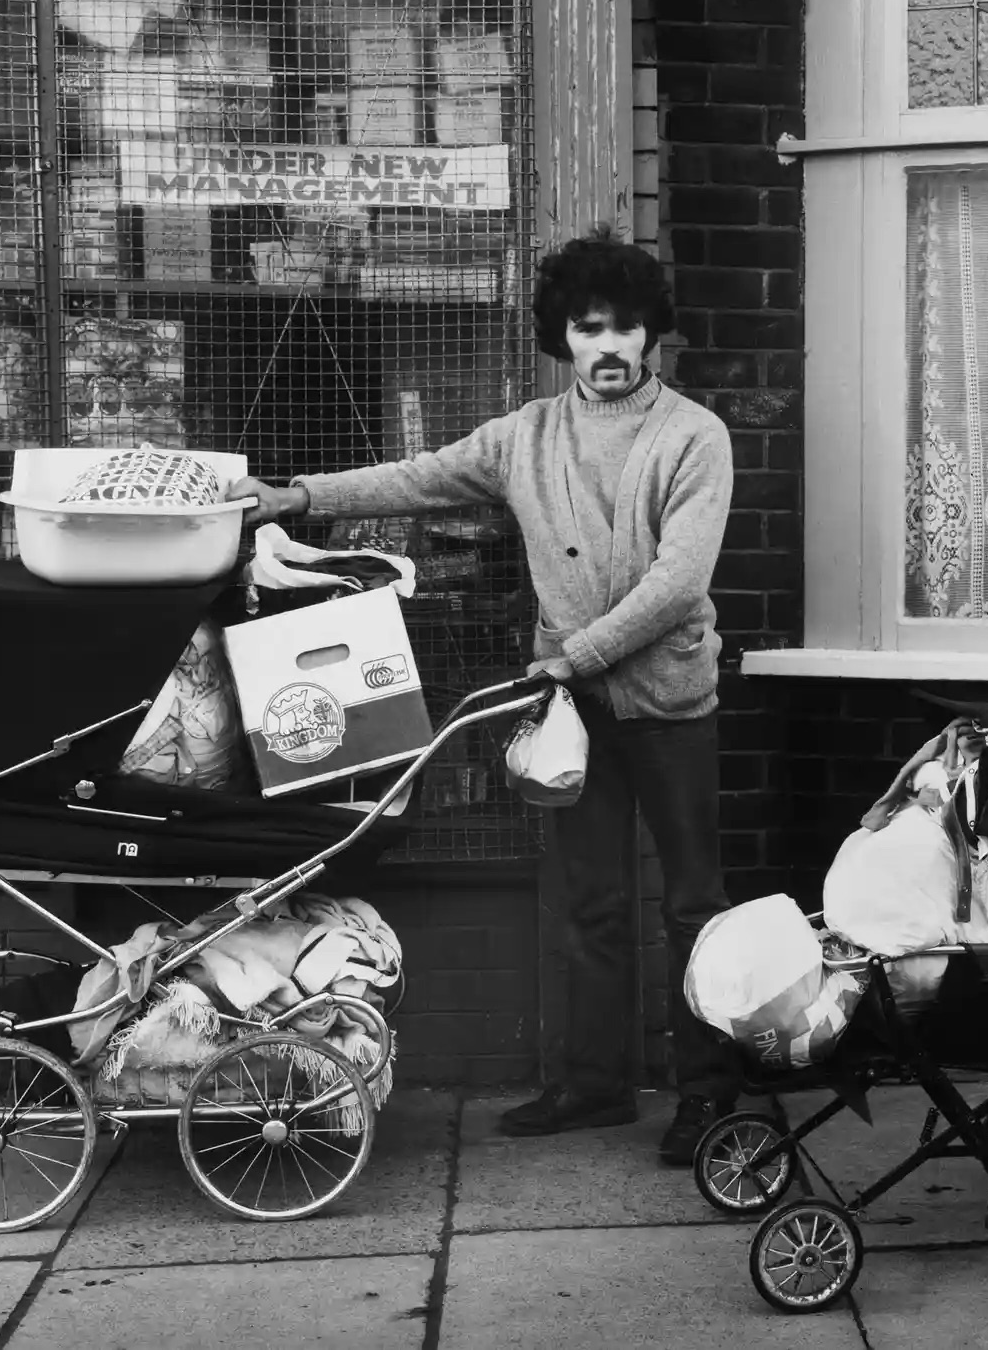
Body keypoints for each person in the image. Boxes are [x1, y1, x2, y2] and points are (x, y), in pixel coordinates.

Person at [232, 227, 741, 1167]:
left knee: (692, 906)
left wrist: (574, 655)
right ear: (565, 336)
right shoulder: (527, 434)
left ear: (652, 335)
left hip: (670, 707)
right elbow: (419, 478)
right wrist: (295, 497)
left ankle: (708, 1095)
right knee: (589, 902)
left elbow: (676, 583)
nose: (611, 346)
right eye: (592, 328)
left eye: (629, 328)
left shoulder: (694, 438)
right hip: (572, 716)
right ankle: (594, 1087)